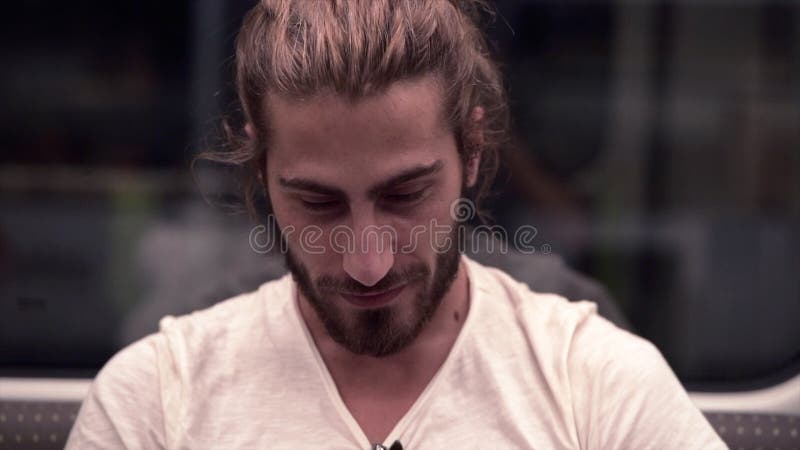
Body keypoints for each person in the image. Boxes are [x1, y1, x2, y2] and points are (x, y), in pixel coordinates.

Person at [67, 1, 727, 448]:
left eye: (406, 194)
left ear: (472, 152)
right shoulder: (157, 401)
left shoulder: (596, 384)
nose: (368, 262)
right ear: (261, 171)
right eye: (319, 203)